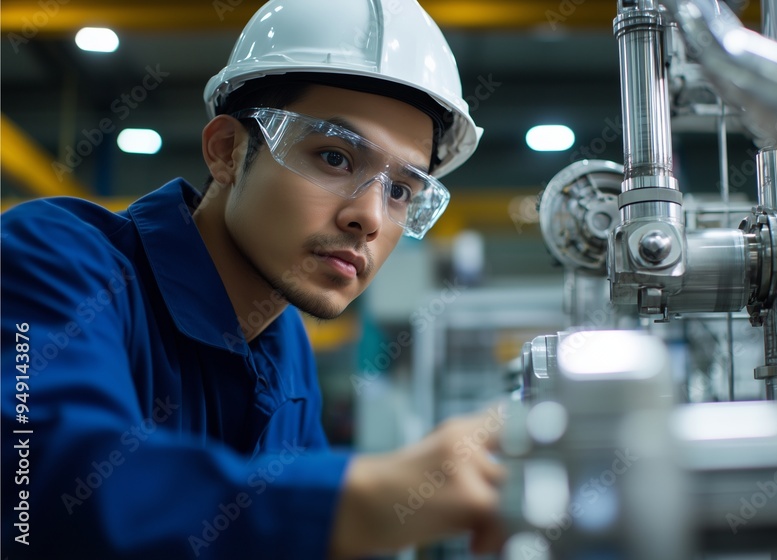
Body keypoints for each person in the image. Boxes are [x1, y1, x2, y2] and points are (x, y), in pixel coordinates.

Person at [0, 0, 507, 557]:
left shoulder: (284, 345)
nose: (371, 217)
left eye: (401, 190)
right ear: (227, 151)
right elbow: (38, 489)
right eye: (335, 157)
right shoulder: (54, 258)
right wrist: (365, 499)